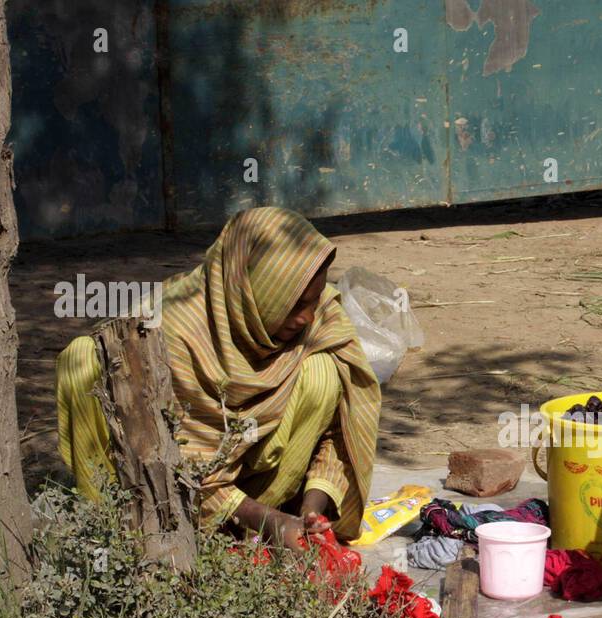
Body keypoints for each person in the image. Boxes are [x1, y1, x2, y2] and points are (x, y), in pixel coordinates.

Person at [56, 206, 381, 551]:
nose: (307, 317)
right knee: (85, 362)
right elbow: (180, 465)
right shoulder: (169, 335)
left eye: (314, 300)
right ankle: (121, 540)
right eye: (296, 304)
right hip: (165, 494)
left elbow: (340, 430)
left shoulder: (316, 318)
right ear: (256, 291)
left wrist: (311, 508)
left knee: (323, 373)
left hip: (260, 482)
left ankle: (263, 522)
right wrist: (265, 520)